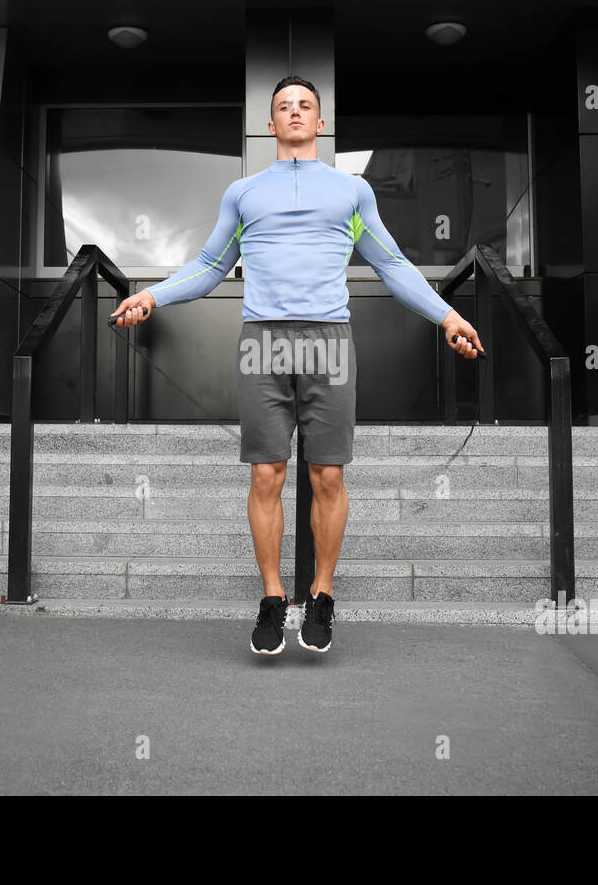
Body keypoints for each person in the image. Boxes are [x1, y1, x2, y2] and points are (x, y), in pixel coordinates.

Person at [110, 75, 483, 656]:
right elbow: (210, 265)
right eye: (283, 106)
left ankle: (322, 596)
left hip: (329, 340)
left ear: (319, 121)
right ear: (271, 123)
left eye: (305, 105)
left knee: (328, 475)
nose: (294, 112)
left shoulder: (352, 194)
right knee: (267, 475)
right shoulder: (243, 194)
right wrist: (152, 295)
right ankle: (271, 599)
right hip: (263, 341)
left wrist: (447, 316)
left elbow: (392, 264)